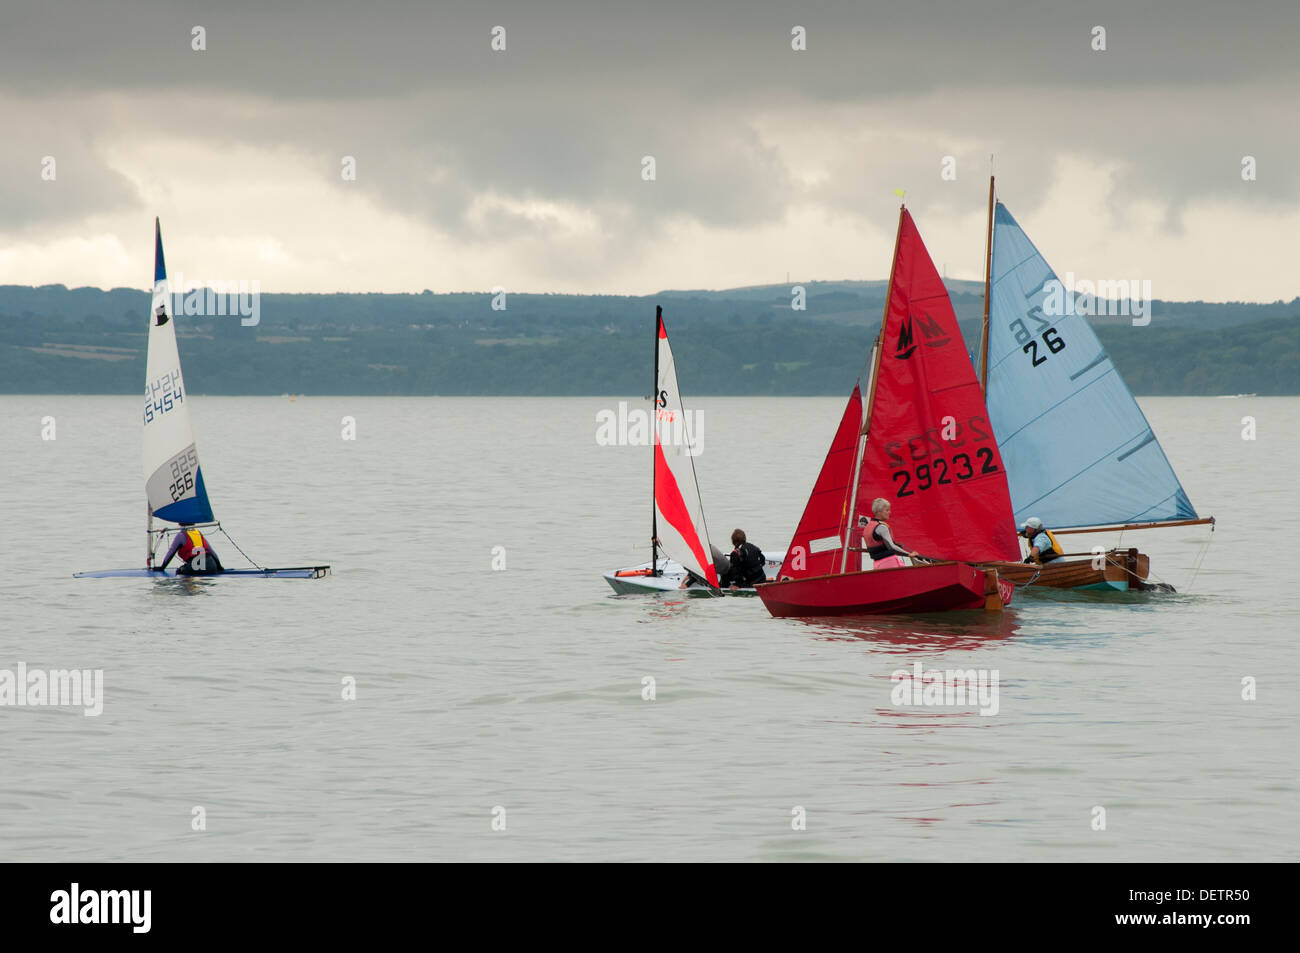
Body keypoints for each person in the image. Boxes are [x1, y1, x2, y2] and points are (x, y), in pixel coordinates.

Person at [858, 498, 920, 569]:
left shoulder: (868, 526)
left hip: (877, 564)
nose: (889, 512)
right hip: (889, 563)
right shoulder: (881, 527)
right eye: (887, 510)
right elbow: (891, 547)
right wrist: (909, 554)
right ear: (879, 512)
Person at [156, 524, 225, 575]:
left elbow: (171, 552)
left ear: (179, 523)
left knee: (180, 572)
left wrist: (162, 568)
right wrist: (220, 567)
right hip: (211, 567)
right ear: (194, 523)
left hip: (194, 568)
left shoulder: (181, 535)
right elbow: (213, 553)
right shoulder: (198, 533)